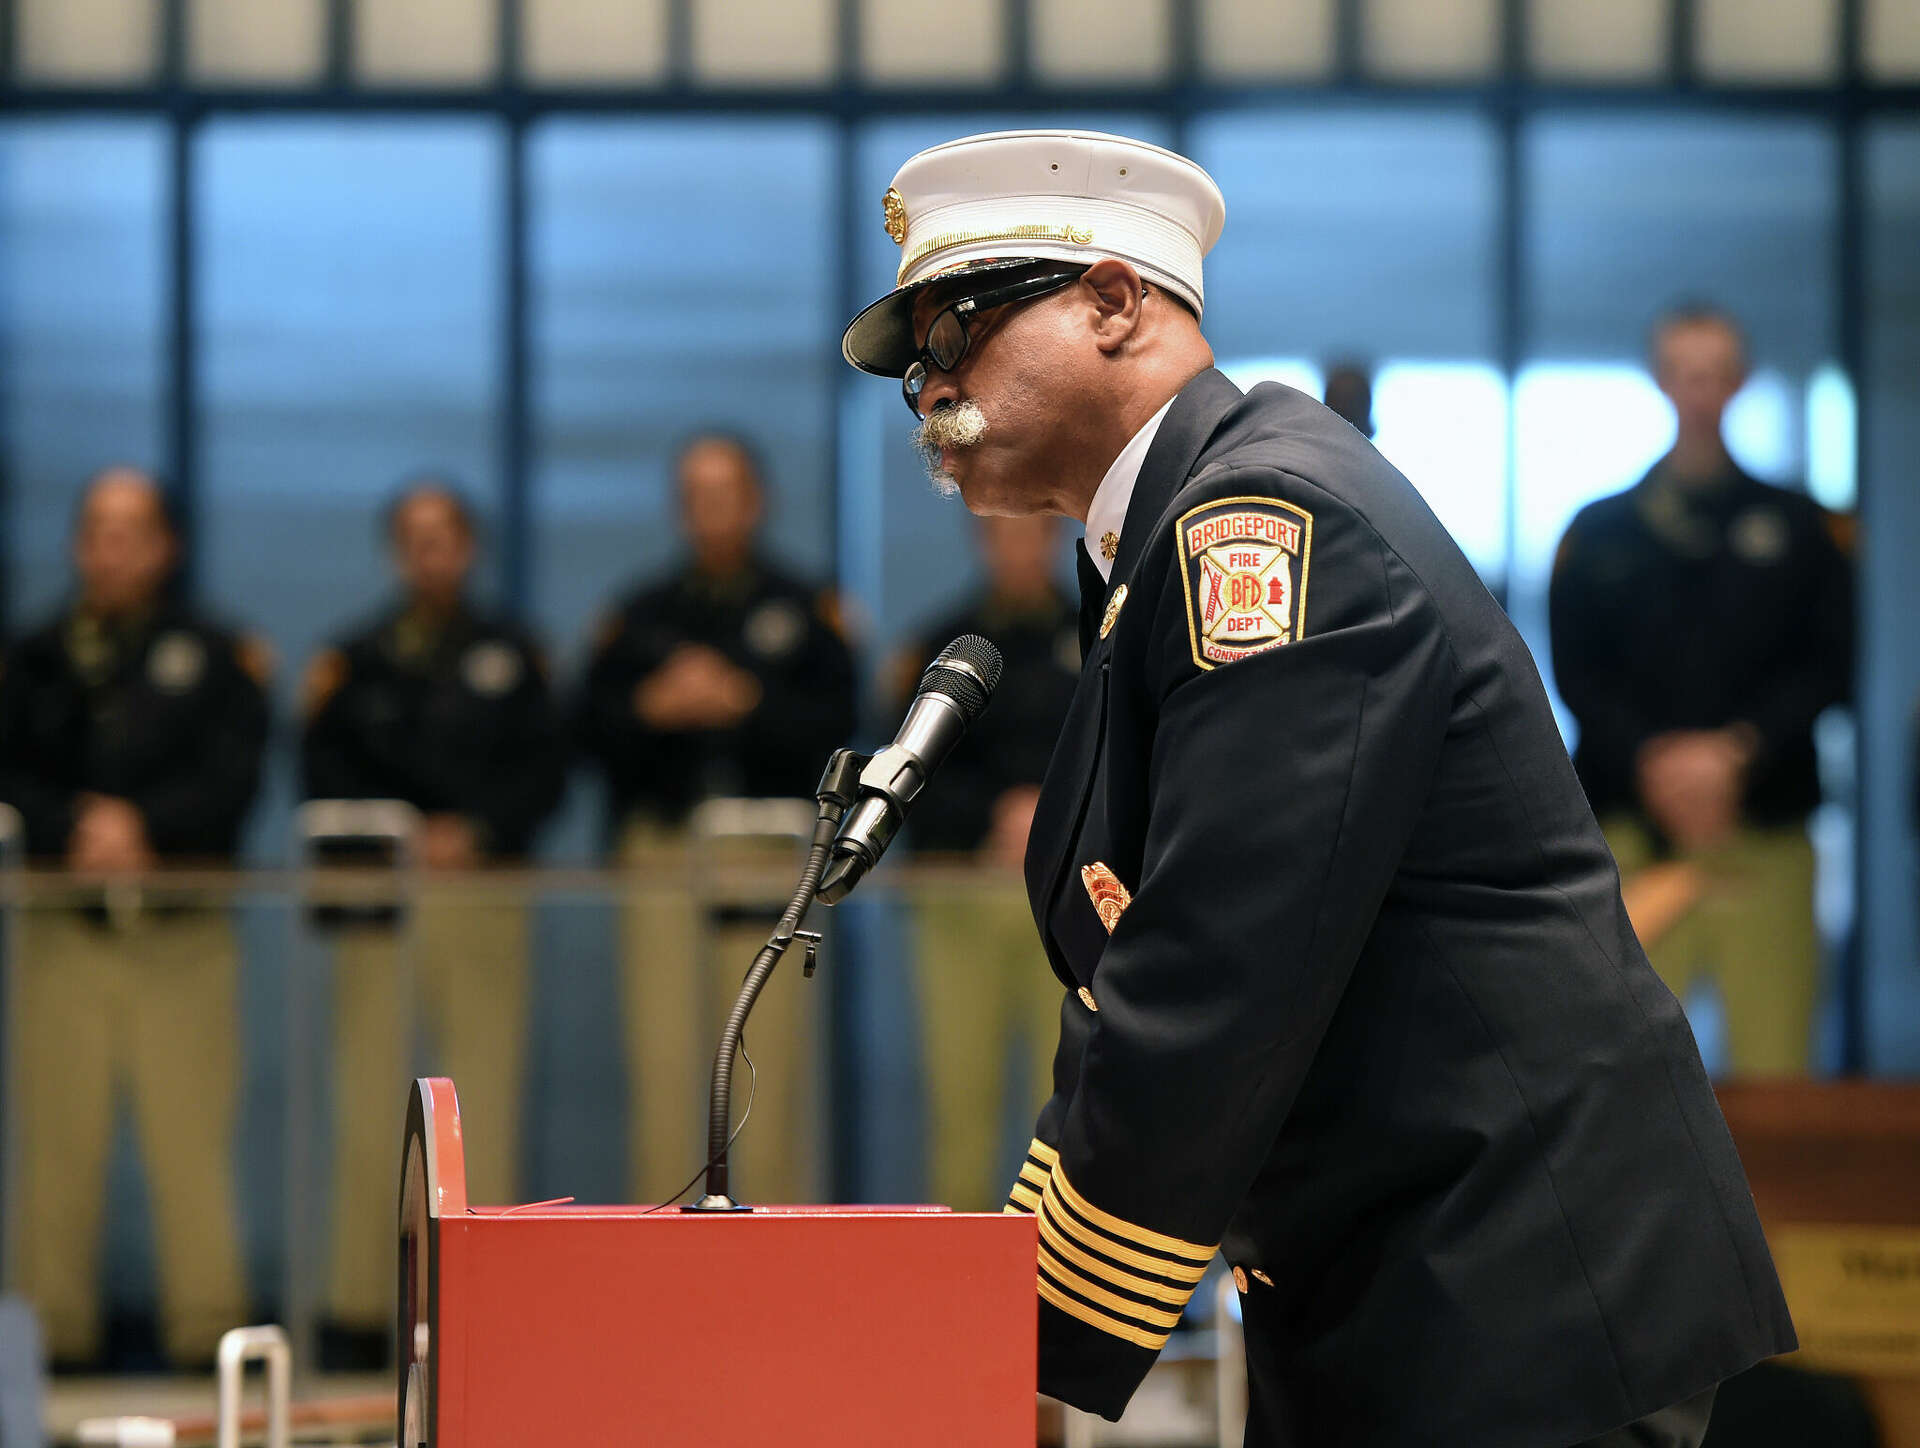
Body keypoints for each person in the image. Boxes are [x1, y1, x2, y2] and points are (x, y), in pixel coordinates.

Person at [839, 129, 1792, 1446]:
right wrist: (1018, 1280)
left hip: (1514, 1287)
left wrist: (1021, 1329)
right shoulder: (1162, 536)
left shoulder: (1267, 527)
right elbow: (1132, 965)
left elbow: (1220, 955)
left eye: (958, 334)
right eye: (916, 371)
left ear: (1118, 303)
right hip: (1414, 1276)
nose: (932, 390)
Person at [0, 467, 267, 1368]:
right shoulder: (31, 657)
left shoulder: (219, 655)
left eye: (131, 530)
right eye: (96, 529)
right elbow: (11, 770)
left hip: (179, 931)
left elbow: (234, 779)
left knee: (191, 1145)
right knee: (56, 1148)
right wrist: (70, 822)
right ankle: (50, 1339)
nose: (111, 547)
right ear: (78, 543)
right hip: (64, 928)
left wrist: (147, 825)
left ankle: (207, 1340)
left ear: (166, 546)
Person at [300, 479, 567, 1366]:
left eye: (445, 537)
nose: (430, 555)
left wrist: (478, 829)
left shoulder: (511, 654)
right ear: (394, 551)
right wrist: (403, 832)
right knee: (369, 1099)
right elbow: (318, 769)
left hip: (483, 894)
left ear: (470, 548)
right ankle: (359, 1309)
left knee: (482, 1096)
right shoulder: (354, 658)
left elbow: (547, 772)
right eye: (413, 538)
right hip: (383, 903)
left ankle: (481, 1298)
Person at [1549, 306, 1854, 1075]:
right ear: (1661, 381)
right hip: (1632, 828)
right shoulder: (1600, 531)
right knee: (1623, 1067)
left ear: (1740, 383)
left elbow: (1829, 665)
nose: (1702, 390)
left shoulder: (1804, 526)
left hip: (1768, 826)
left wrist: (1734, 755)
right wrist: (1656, 760)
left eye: (1717, 373)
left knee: (1777, 1068)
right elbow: (1576, 673)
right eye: (1687, 372)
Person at [578, 434, 855, 1204]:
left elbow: (839, 723)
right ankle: (665, 1253)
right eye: (694, 493)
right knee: (665, 1059)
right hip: (665, 849)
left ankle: (767, 1259)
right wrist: (652, 707)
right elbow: (588, 733)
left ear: (757, 499)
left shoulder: (805, 608)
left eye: (725, 490)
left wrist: (746, 703)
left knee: (769, 1057)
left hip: (768, 849)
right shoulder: (639, 615)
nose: (711, 509)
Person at [890, 514, 1081, 1210]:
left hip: (1068, 899)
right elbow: (910, 768)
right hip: (961, 894)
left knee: (1070, 1102)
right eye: (1004, 533)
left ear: (1058, 537)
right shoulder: (945, 646)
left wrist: (1050, 814)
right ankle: (957, 1294)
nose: (1020, 547)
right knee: (959, 1098)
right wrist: (993, 817)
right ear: (980, 541)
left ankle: (1063, 1291)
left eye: (1034, 531)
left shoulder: (1100, 630)